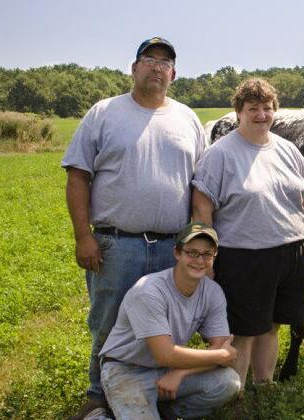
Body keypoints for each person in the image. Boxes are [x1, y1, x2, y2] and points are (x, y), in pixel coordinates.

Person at [61, 37, 207, 419]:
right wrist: (83, 236)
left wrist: (199, 243)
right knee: (108, 323)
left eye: (165, 62)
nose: (157, 67)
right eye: (149, 59)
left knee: (167, 323)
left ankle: (156, 392)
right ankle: (99, 395)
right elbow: (77, 177)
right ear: (134, 68)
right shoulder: (104, 113)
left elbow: (200, 187)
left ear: (173, 74)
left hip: (172, 247)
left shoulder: (188, 119)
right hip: (116, 244)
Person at [192, 78, 304, 387]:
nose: (261, 115)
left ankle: (264, 385)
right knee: (244, 331)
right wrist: (207, 260)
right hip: (244, 257)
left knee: (272, 326)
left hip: (291, 254)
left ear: (275, 110)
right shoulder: (221, 154)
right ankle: (234, 393)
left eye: (267, 107)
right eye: (253, 108)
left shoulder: (288, 150)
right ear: (239, 112)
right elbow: (201, 209)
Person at [99, 222, 241, 419]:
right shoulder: (148, 291)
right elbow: (165, 354)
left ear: (214, 257)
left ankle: (167, 413)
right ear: (177, 253)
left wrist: (180, 373)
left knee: (229, 382)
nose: (199, 260)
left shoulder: (213, 292)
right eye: (192, 253)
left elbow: (220, 346)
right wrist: (221, 355)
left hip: (170, 370)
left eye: (207, 254)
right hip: (126, 370)